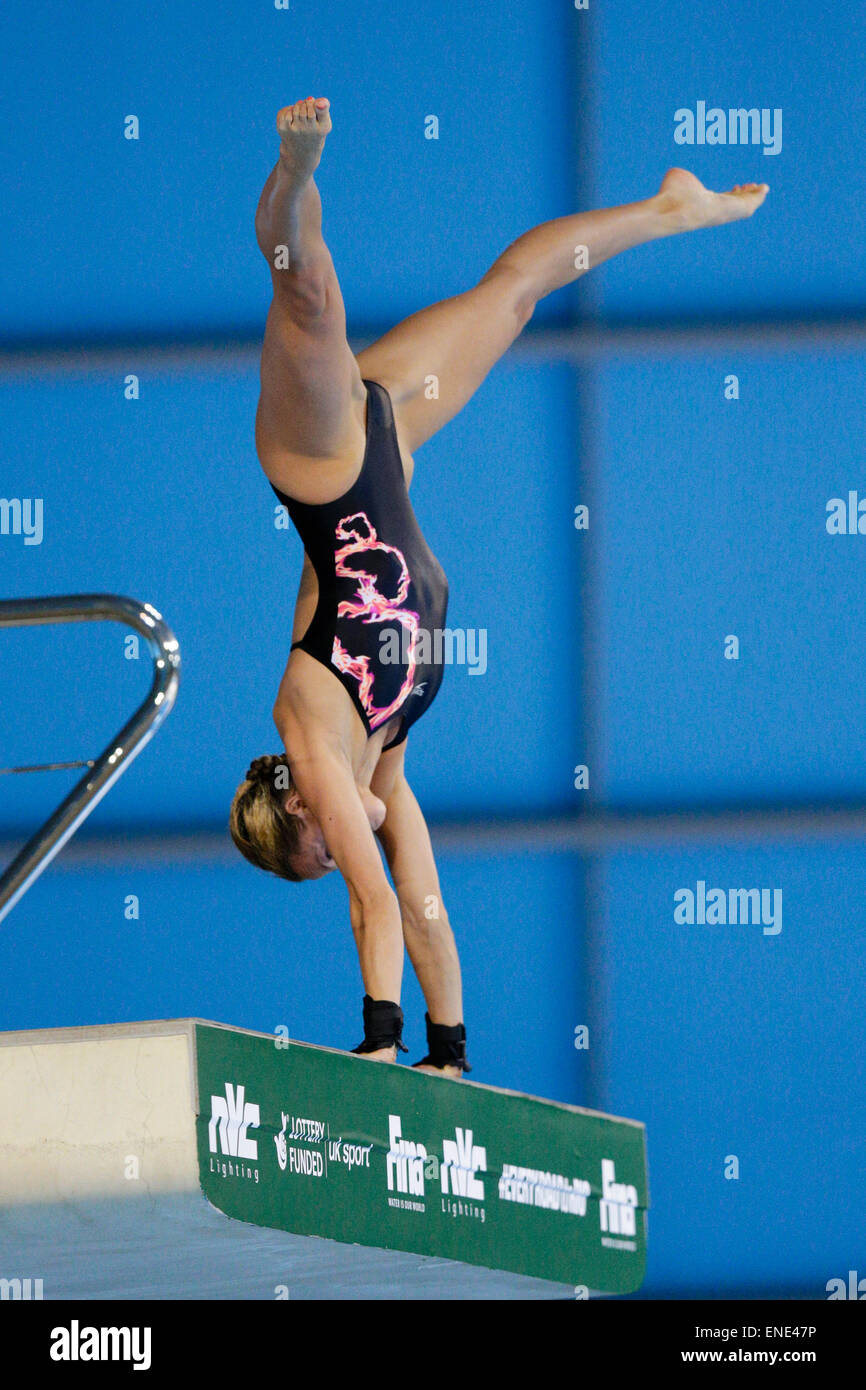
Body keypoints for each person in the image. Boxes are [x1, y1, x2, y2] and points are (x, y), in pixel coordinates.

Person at [230, 96, 768, 1074]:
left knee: (305, 297)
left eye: (320, 850)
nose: (341, 849)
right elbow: (422, 900)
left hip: (323, 465)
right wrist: (448, 1051)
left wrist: (379, 1043)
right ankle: (668, 209)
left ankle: (292, 181)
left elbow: (371, 899)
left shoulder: (312, 738)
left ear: (300, 810)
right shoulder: (384, 752)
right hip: (387, 440)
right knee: (514, 295)